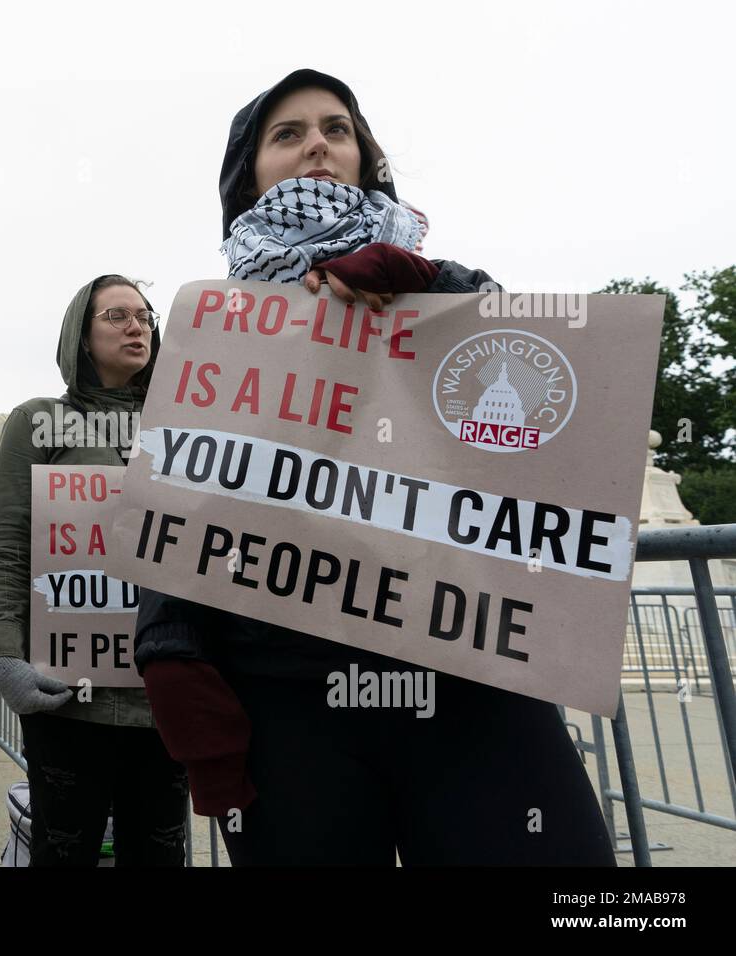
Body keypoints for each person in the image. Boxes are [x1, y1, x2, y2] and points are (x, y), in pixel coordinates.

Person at [134, 70, 617, 867]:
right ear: (247, 173)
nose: (317, 142)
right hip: (285, 691)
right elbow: (177, 493)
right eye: (286, 134)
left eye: (336, 128)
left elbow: (544, 408)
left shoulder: (446, 288)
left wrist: (432, 290)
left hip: (470, 674)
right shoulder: (210, 327)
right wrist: (169, 644)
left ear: (365, 157)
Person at [0, 275, 189, 866]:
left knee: (159, 854)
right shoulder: (37, 421)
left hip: (163, 693)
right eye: (117, 315)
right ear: (81, 334)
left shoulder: (188, 428)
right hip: (68, 699)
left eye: (144, 315)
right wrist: (3, 656)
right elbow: (4, 548)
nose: (136, 326)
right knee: (63, 854)